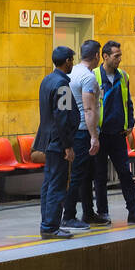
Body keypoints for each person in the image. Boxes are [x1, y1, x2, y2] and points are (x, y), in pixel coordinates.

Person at [93, 40, 135, 224]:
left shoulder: (123, 77)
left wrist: (130, 123)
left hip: (118, 135)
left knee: (125, 173)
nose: (119, 59)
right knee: (100, 176)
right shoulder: (93, 77)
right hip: (100, 135)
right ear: (105, 56)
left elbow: (128, 103)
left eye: (120, 56)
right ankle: (103, 213)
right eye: (116, 56)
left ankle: (133, 211)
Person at [35, 46, 79, 239]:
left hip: (47, 140)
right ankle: (51, 226)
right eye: (72, 60)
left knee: (48, 184)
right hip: (58, 143)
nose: (73, 64)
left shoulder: (47, 81)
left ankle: (47, 223)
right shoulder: (62, 85)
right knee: (57, 185)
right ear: (67, 61)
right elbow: (62, 117)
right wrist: (68, 145)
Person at [62, 39, 106, 229]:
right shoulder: (88, 77)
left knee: (86, 174)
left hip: (74, 130)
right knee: (80, 175)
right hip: (83, 132)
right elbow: (89, 109)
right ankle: (69, 215)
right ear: (97, 56)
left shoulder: (72, 72)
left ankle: (88, 212)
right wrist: (94, 136)